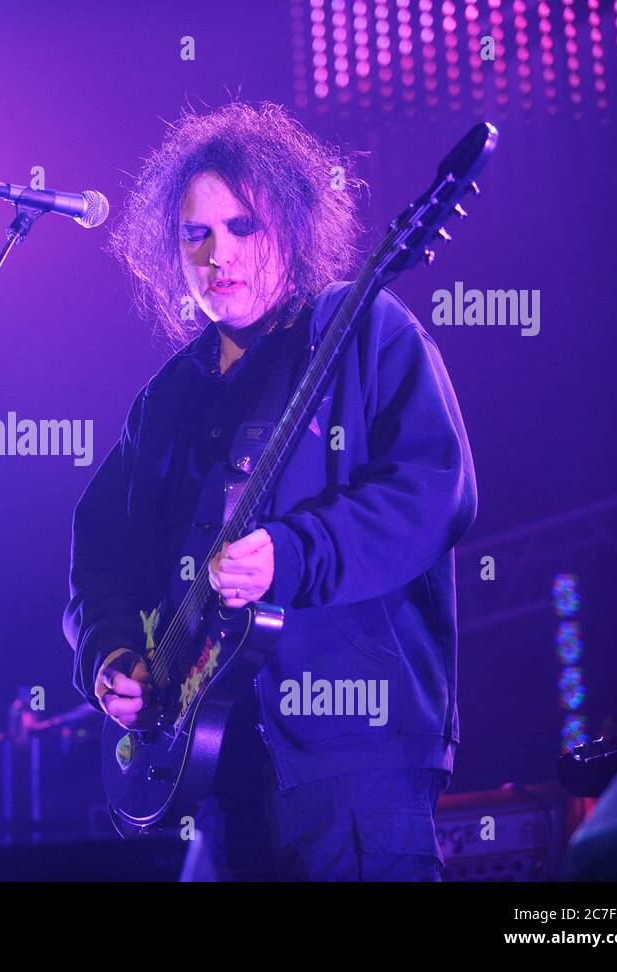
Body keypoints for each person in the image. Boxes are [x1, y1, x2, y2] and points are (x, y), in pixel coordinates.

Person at [63, 100, 477, 880]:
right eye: (198, 235)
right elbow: (101, 545)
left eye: (244, 227)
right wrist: (111, 650)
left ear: (291, 225)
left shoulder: (363, 331)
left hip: (351, 748)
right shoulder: (168, 397)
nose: (220, 253)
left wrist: (292, 555)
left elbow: (433, 491)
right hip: (211, 760)